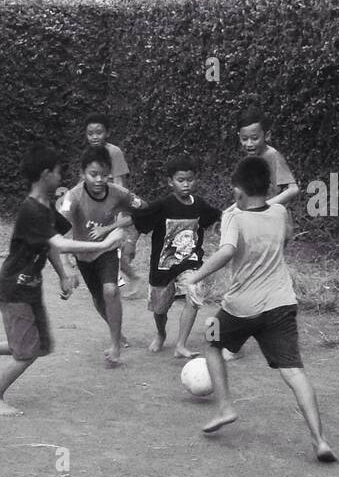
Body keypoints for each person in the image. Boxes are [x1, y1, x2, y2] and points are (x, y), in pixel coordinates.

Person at [179, 155, 336, 463]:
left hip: (240, 308)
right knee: (294, 371)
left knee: (210, 340)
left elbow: (226, 252)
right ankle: (320, 440)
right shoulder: (280, 212)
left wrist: (194, 276)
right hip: (281, 303)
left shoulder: (233, 216)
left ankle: (226, 407)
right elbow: (285, 240)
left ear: (237, 191)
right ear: (267, 187)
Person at [0, 145, 129, 415]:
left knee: (40, 345)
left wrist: (65, 274)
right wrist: (106, 244)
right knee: (27, 352)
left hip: (30, 287)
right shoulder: (31, 210)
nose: (61, 178)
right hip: (14, 289)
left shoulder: (45, 207)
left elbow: (51, 243)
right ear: (45, 175)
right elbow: (61, 245)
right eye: (57, 173)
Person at [130, 156, 222, 359]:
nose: (186, 184)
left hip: (189, 263)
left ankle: (181, 344)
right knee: (159, 309)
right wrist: (130, 245)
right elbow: (139, 222)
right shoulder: (163, 205)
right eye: (181, 180)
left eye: (190, 179)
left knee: (195, 295)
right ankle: (161, 333)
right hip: (163, 266)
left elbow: (215, 217)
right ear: (170, 181)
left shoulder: (199, 205)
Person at [60, 143, 138, 365]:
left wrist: (117, 229)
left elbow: (142, 211)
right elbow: (56, 231)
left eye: (104, 175)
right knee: (98, 298)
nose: (99, 179)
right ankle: (117, 331)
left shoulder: (119, 193)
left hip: (107, 251)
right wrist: (65, 266)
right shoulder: (72, 197)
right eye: (93, 174)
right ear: (83, 173)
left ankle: (115, 345)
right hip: (83, 256)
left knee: (111, 291)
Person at [82, 111, 143, 293]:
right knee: (105, 246)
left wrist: (119, 218)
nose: (94, 136)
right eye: (90, 133)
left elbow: (119, 185)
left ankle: (133, 277)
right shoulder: (88, 153)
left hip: (115, 207)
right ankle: (125, 278)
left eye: (98, 132)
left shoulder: (114, 152)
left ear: (107, 133)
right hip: (97, 206)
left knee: (114, 246)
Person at [236, 104, 299, 209]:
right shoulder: (249, 159)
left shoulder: (273, 155)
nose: (249, 144)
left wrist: (265, 206)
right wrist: (226, 213)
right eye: (244, 139)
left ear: (267, 135)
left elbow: (293, 189)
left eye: (255, 138)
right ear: (239, 137)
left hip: (275, 219)